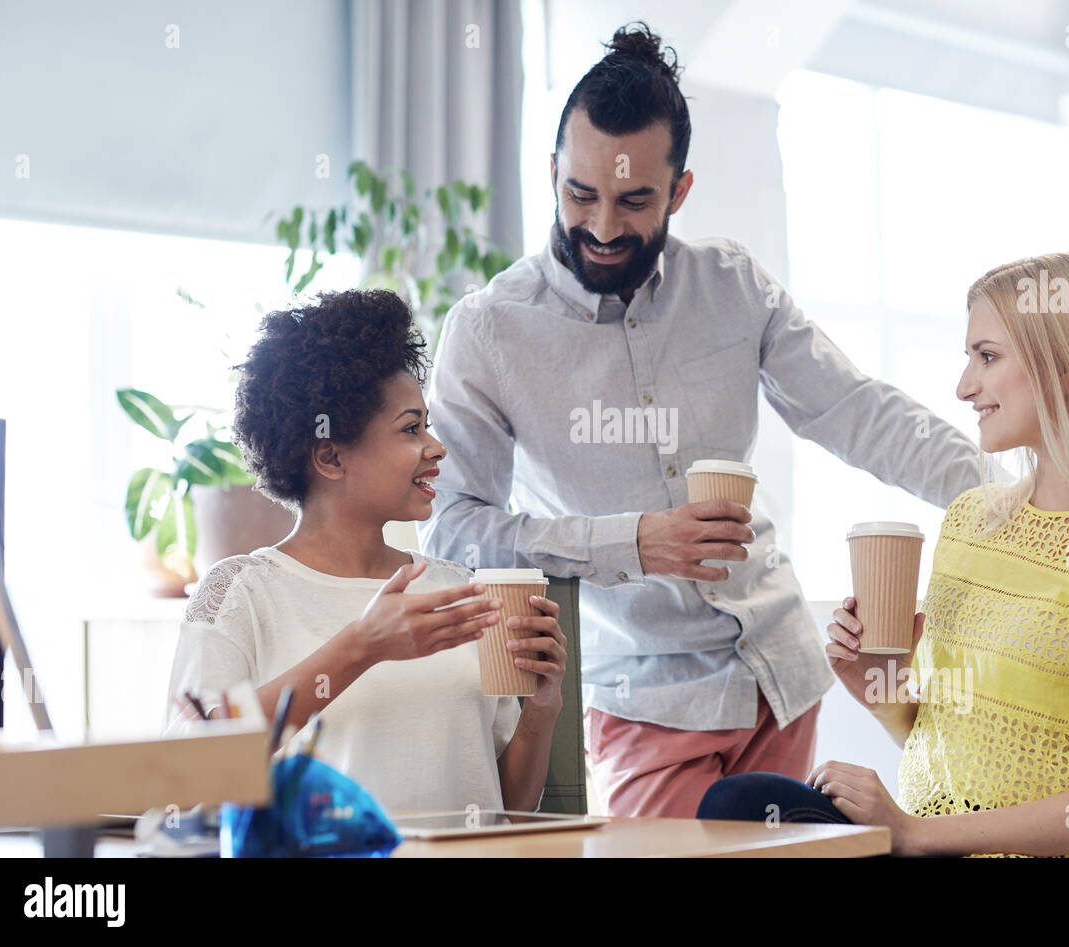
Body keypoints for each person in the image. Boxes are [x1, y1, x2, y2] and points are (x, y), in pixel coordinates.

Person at [419, 23, 982, 819]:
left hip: (779, 675)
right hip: (643, 693)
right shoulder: (489, 330)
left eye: (634, 200)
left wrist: (1003, 490)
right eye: (580, 194)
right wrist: (632, 539)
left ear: (680, 191)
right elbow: (452, 530)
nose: (604, 226)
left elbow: (857, 412)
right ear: (551, 173)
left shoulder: (732, 287)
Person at [696, 252, 1069, 858]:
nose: (964, 386)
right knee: (735, 805)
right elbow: (943, 736)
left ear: (1065, 367)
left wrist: (913, 833)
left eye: (988, 356)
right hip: (930, 846)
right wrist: (880, 690)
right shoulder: (973, 521)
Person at [164, 289, 567, 814]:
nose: (437, 447)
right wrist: (362, 645)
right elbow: (185, 774)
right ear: (330, 455)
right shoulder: (243, 593)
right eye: (410, 429)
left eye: (429, 425)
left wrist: (542, 706)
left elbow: (509, 804)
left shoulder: (458, 591)